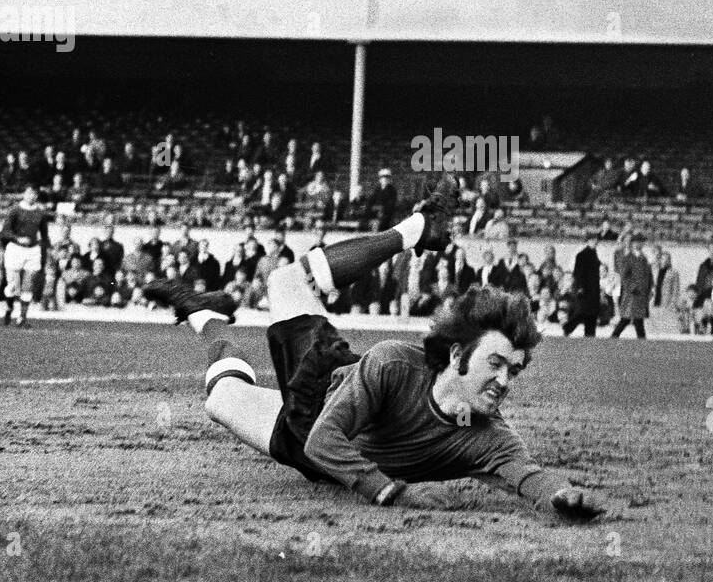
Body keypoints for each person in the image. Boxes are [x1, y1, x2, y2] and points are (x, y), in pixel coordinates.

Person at [143, 175, 604, 520]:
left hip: (312, 451)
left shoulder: (486, 433)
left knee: (221, 399)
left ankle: (205, 315)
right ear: (458, 356)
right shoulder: (393, 364)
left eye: (514, 370)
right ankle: (414, 229)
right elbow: (327, 437)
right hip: (321, 391)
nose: (505, 381)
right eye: (497, 364)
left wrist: (561, 493)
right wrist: (392, 492)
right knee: (284, 279)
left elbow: (527, 473)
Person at [0, 185, 52, 327]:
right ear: (24, 194)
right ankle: (9, 308)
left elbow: (45, 235)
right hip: (15, 250)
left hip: (33, 251)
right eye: (29, 193)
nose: (32, 196)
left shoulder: (40, 213)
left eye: (34, 193)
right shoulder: (15, 210)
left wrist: (47, 251)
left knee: (28, 286)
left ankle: (22, 318)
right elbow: (4, 232)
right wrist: (18, 238)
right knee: (12, 287)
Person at [611, 234, 651, 339]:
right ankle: (615, 336)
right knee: (629, 318)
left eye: (642, 242)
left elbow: (648, 275)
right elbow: (624, 276)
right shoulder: (628, 258)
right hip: (632, 294)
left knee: (636, 318)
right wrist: (632, 287)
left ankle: (615, 337)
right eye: (638, 242)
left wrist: (649, 288)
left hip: (641, 293)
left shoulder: (643, 258)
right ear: (633, 243)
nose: (641, 244)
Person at [563, 231, 601, 337]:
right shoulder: (582, 255)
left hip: (593, 289)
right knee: (584, 312)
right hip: (586, 289)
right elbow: (578, 273)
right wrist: (579, 287)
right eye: (592, 240)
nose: (595, 242)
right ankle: (568, 327)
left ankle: (590, 335)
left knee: (591, 314)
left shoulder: (594, 253)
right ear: (588, 241)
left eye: (595, 240)